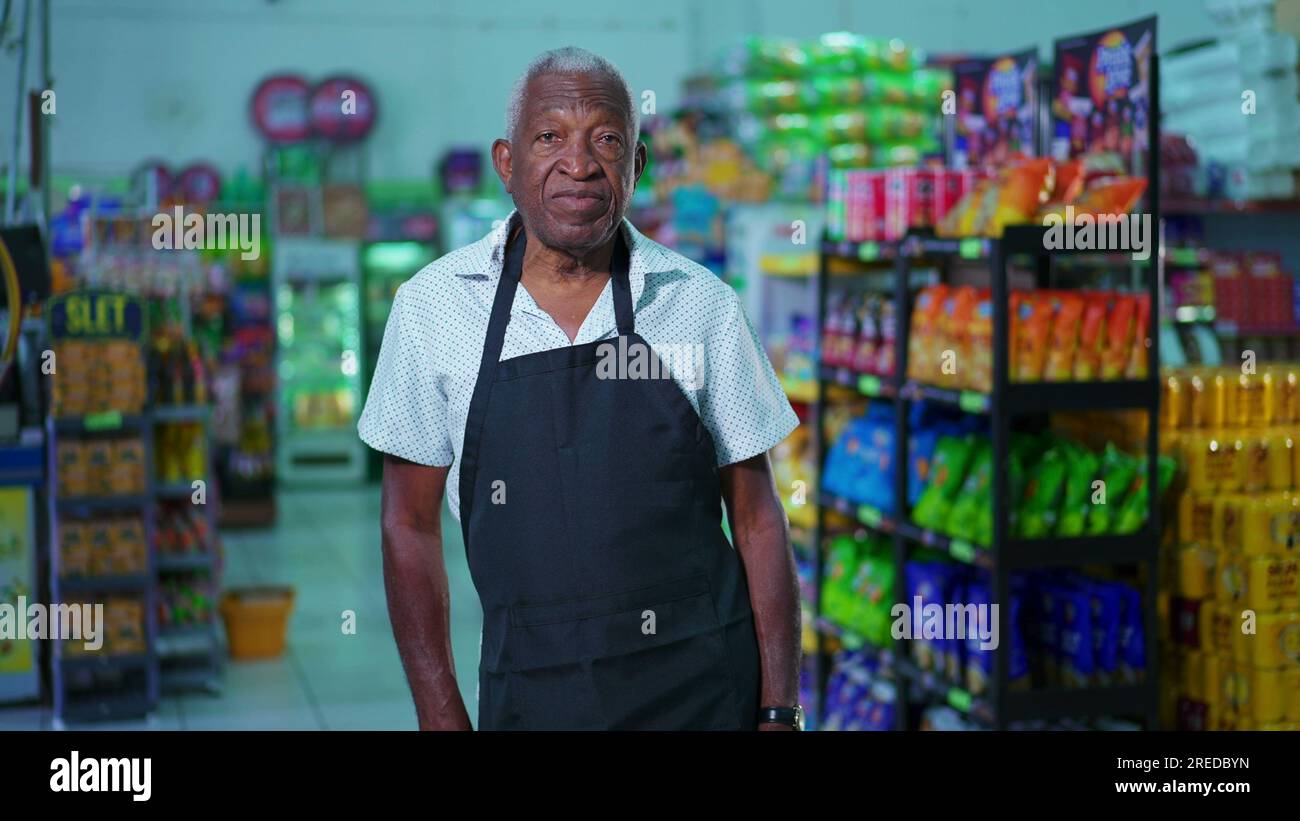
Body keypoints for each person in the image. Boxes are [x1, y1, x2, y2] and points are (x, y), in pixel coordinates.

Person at [359, 46, 802, 731]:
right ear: (506, 162)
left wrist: (779, 707)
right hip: (534, 694)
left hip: (704, 691)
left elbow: (758, 518)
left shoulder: (698, 303)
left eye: (606, 138)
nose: (580, 162)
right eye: (549, 137)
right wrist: (440, 716)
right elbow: (407, 525)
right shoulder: (434, 309)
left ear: (637, 164)